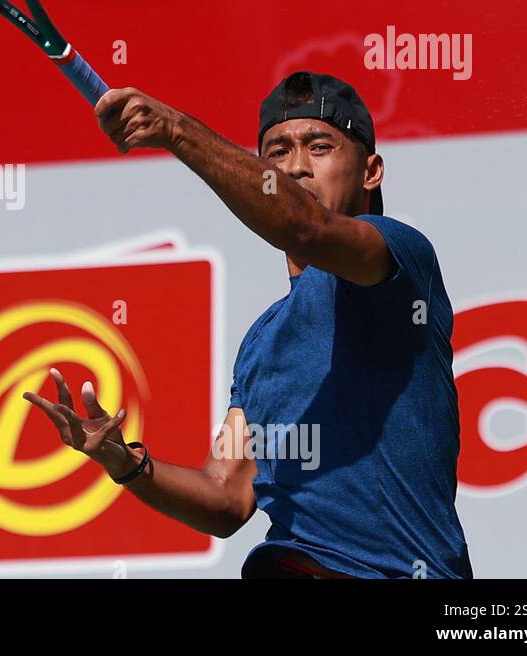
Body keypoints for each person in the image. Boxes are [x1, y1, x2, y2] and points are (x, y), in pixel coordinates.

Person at [23, 71, 472, 579]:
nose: (297, 167)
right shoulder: (262, 342)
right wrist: (126, 462)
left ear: (371, 171)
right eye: (277, 153)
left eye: (320, 146)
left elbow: (303, 223)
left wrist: (174, 130)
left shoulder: (398, 256)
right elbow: (227, 494)